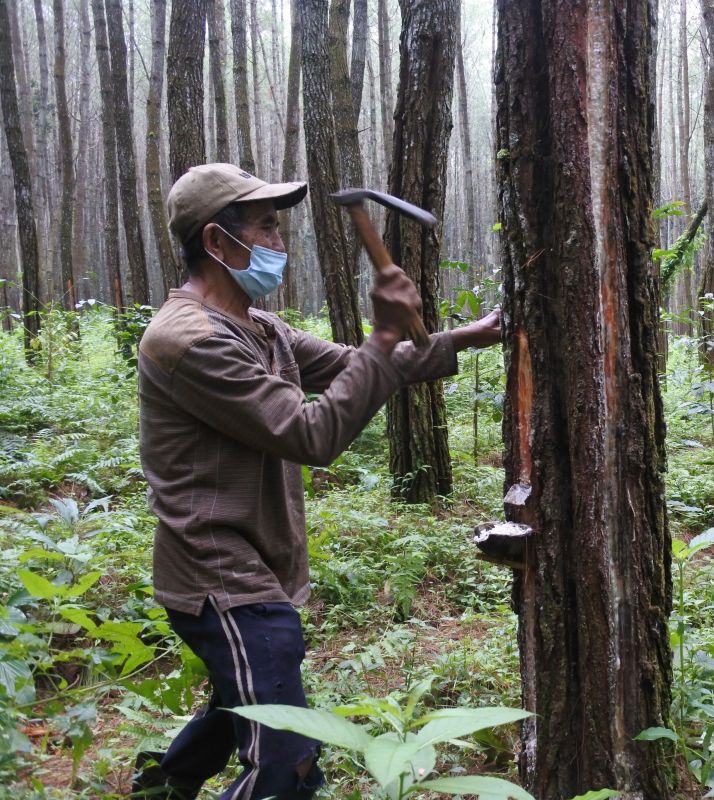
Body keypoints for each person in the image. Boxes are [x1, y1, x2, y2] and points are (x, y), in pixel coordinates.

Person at [131, 163, 500, 799]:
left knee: (239, 697)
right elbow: (312, 436)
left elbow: (356, 369)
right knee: (287, 761)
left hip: (254, 559)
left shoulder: (260, 326)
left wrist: (471, 336)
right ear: (218, 243)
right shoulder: (187, 340)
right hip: (218, 571)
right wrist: (385, 331)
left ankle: (165, 785)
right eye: (267, 228)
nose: (280, 241)